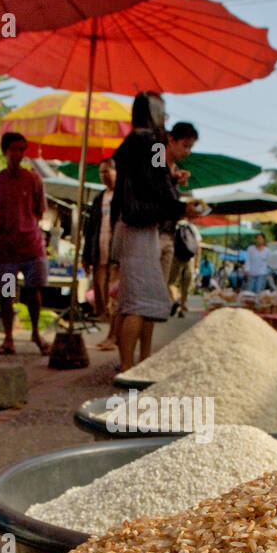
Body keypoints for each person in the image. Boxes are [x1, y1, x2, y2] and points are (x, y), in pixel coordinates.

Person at [112, 91, 188, 374]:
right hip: (139, 225)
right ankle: (128, 366)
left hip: (129, 223)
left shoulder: (132, 142)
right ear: (155, 113)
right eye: (163, 114)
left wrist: (171, 178)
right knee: (141, 300)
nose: (165, 120)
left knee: (137, 298)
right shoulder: (151, 142)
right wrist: (180, 206)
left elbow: (151, 178)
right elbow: (155, 182)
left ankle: (139, 361)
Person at [0, 131, 50, 356]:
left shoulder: (33, 179)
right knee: (7, 294)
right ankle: (8, 337)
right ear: (5, 151)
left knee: (34, 292)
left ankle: (35, 332)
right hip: (5, 248)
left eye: (21, 149)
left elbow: (40, 211)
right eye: (13, 149)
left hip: (31, 245)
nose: (18, 154)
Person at [158, 121, 199, 290]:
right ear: (171, 140)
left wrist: (174, 179)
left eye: (190, 147)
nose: (187, 152)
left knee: (160, 288)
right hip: (153, 232)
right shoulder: (157, 153)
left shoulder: (172, 167)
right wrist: (183, 209)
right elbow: (155, 193)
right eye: (185, 146)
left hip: (168, 233)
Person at [82, 158, 117, 349]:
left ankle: (113, 336)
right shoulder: (98, 198)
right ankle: (111, 333)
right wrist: (86, 256)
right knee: (102, 297)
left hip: (117, 256)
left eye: (108, 171)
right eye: (101, 172)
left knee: (114, 297)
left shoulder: (123, 197)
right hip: (99, 255)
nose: (105, 176)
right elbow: (90, 229)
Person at [168, 220, 200, 316]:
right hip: (189, 259)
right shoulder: (192, 227)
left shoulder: (174, 225)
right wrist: (197, 263)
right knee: (185, 285)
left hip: (175, 258)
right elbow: (198, 246)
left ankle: (174, 300)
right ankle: (182, 307)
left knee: (171, 283)